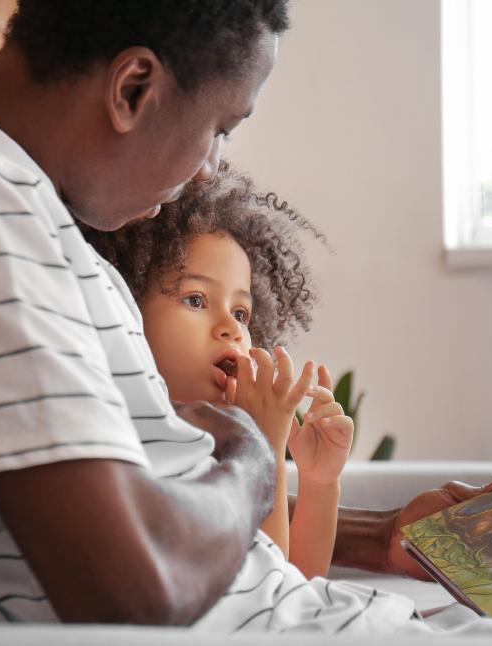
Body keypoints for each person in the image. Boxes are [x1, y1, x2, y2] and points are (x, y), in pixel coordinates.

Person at [0, 0, 492, 635]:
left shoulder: (9, 212)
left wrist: (378, 538)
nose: (207, 168)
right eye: (220, 130)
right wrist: (247, 449)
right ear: (134, 88)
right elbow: (131, 585)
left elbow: (134, 493)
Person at [80, 162, 354, 579]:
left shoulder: (218, 439)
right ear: (128, 307)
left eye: (241, 312)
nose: (231, 327)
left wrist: (318, 483)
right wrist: (265, 444)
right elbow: (268, 583)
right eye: (195, 300)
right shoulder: (143, 445)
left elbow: (299, 582)